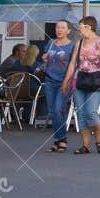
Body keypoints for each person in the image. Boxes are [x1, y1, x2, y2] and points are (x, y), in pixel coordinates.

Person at [61, 15, 100, 155]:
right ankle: (86, 145)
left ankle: (98, 139)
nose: (79, 30)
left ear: (89, 27)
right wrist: (66, 81)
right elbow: (73, 63)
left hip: (96, 80)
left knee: (91, 111)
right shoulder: (79, 43)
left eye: (81, 27)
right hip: (79, 80)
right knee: (81, 113)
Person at [39, 20, 76, 152]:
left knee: (58, 109)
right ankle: (58, 140)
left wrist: (68, 81)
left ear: (68, 31)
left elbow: (74, 65)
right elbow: (46, 59)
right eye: (57, 27)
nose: (59, 30)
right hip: (49, 80)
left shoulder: (72, 46)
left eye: (62, 28)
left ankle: (62, 139)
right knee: (53, 111)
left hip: (64, 81)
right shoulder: (51, 43)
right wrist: (44, 58)